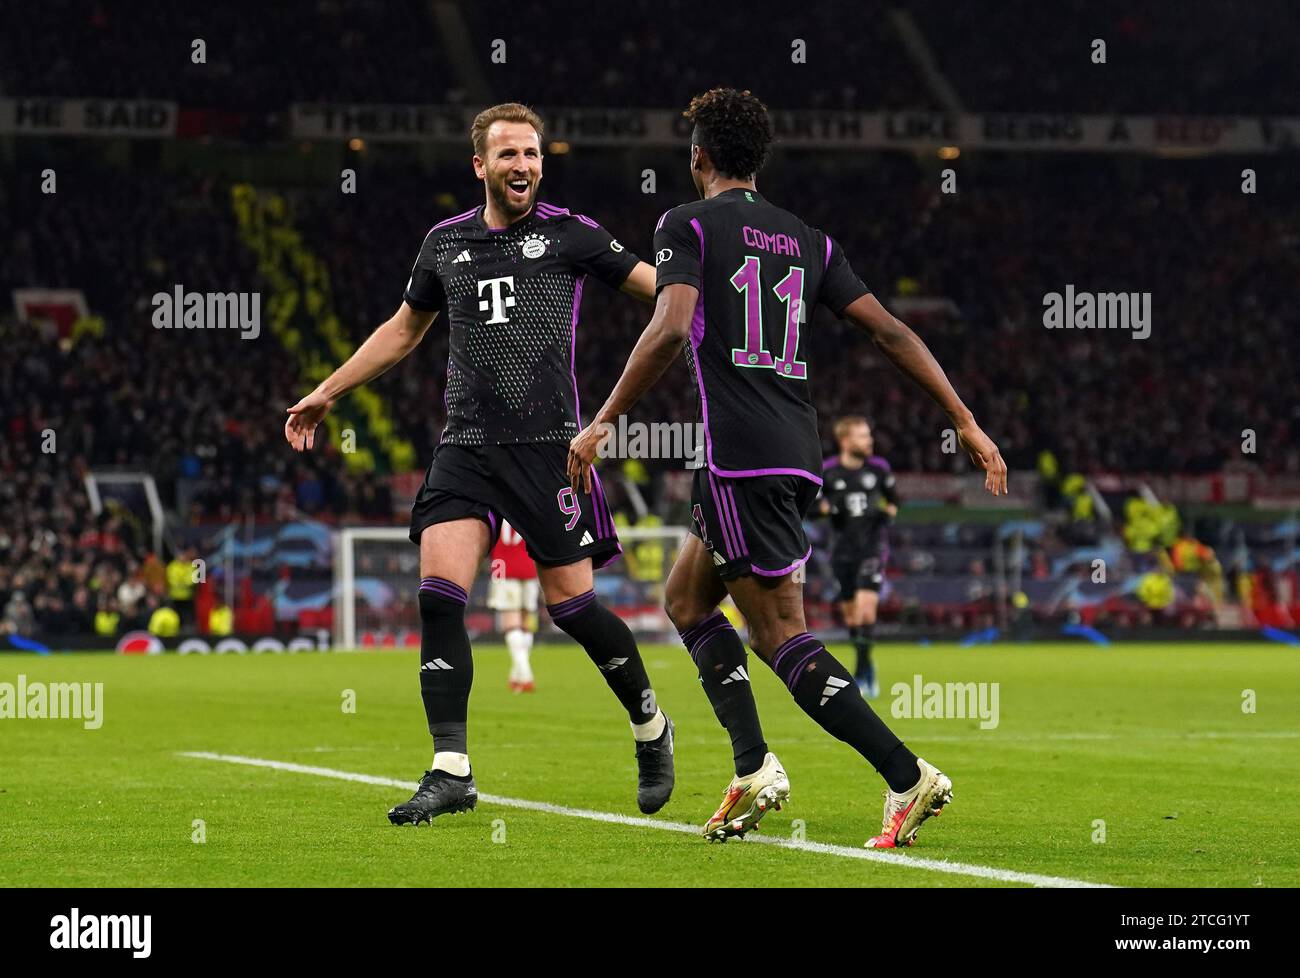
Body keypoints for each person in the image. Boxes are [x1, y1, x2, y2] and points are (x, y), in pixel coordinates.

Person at [568, 88, 1006, 848]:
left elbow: (670, 328)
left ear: (698, 156)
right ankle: (751, 765)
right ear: (758, 159)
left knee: (778, 634)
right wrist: (963, 419)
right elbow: (892, 332)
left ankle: (906, 775)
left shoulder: (686, 225)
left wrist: (603, 417)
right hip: (790, 452)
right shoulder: (809, 240)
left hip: (743, 456)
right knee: (686, 599)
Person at [285, 102, 675, 826]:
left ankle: (651, 728)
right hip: (464, 447)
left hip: (547, 451)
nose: (522, 166)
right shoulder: (444, 243)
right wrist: (326, 392)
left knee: (575, 611)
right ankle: (451, 768)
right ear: (480, 166)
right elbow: (404, 330)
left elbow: (663, 293)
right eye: (508, 156)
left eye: (531, 154)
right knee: (439, 597)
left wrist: (728, 300)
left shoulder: (572, 234)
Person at [818, 416, 898, 698]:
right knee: (852, 618)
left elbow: (894, 502)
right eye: (863, 436)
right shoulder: (828, 471)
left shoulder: (879, 470)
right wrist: (828, 509)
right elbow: (813, 507)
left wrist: (886, 512)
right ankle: (866, 668)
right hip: (842, 552)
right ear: (846, 441)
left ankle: (861, 675)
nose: (869, 441)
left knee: (866, 610)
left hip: (872, 548)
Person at [487, 520, 539, 692]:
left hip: (501, 566)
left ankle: (525, 673)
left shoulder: (495, 503)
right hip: (530, 565)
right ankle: (517, 674)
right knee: (526, 621)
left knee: (511, 621)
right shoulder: (529, 500)